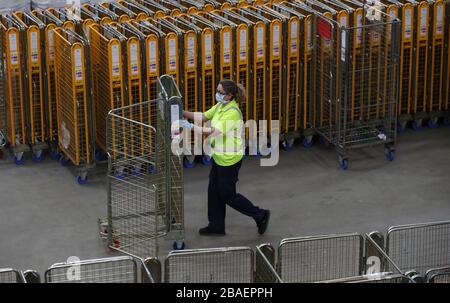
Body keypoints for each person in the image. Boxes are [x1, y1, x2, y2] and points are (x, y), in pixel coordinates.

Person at [182, 79, 270, 236]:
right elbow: (203, 116)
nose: (217, 94)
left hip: (229, 160)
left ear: (230, 95)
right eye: (217, 91)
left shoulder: (232, 113)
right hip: (219, 156)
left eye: (220, 93)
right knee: (213, 191)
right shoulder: (221, 106)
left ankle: (260, 215)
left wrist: (189, 127)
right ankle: (216, 225)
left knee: (227, 194)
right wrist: (181, 112)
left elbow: (212, 132)